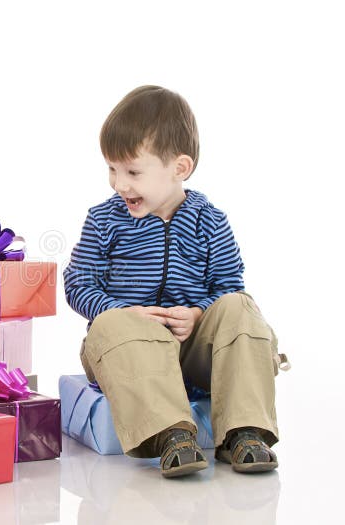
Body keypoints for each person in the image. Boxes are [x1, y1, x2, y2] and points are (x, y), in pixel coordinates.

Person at [63, 85, 288, 478]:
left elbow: (229, 285)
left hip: (192, 352)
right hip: (128, 350)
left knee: (240, 308)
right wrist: (123, 312)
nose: (119, 184)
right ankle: (172, 435)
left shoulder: (210, 220)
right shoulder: (104, 220)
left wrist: (199, 315)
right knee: (110, 324)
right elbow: (78, 283)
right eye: (112, 169)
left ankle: (244, 431)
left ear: (179, 169)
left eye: (133, 172)